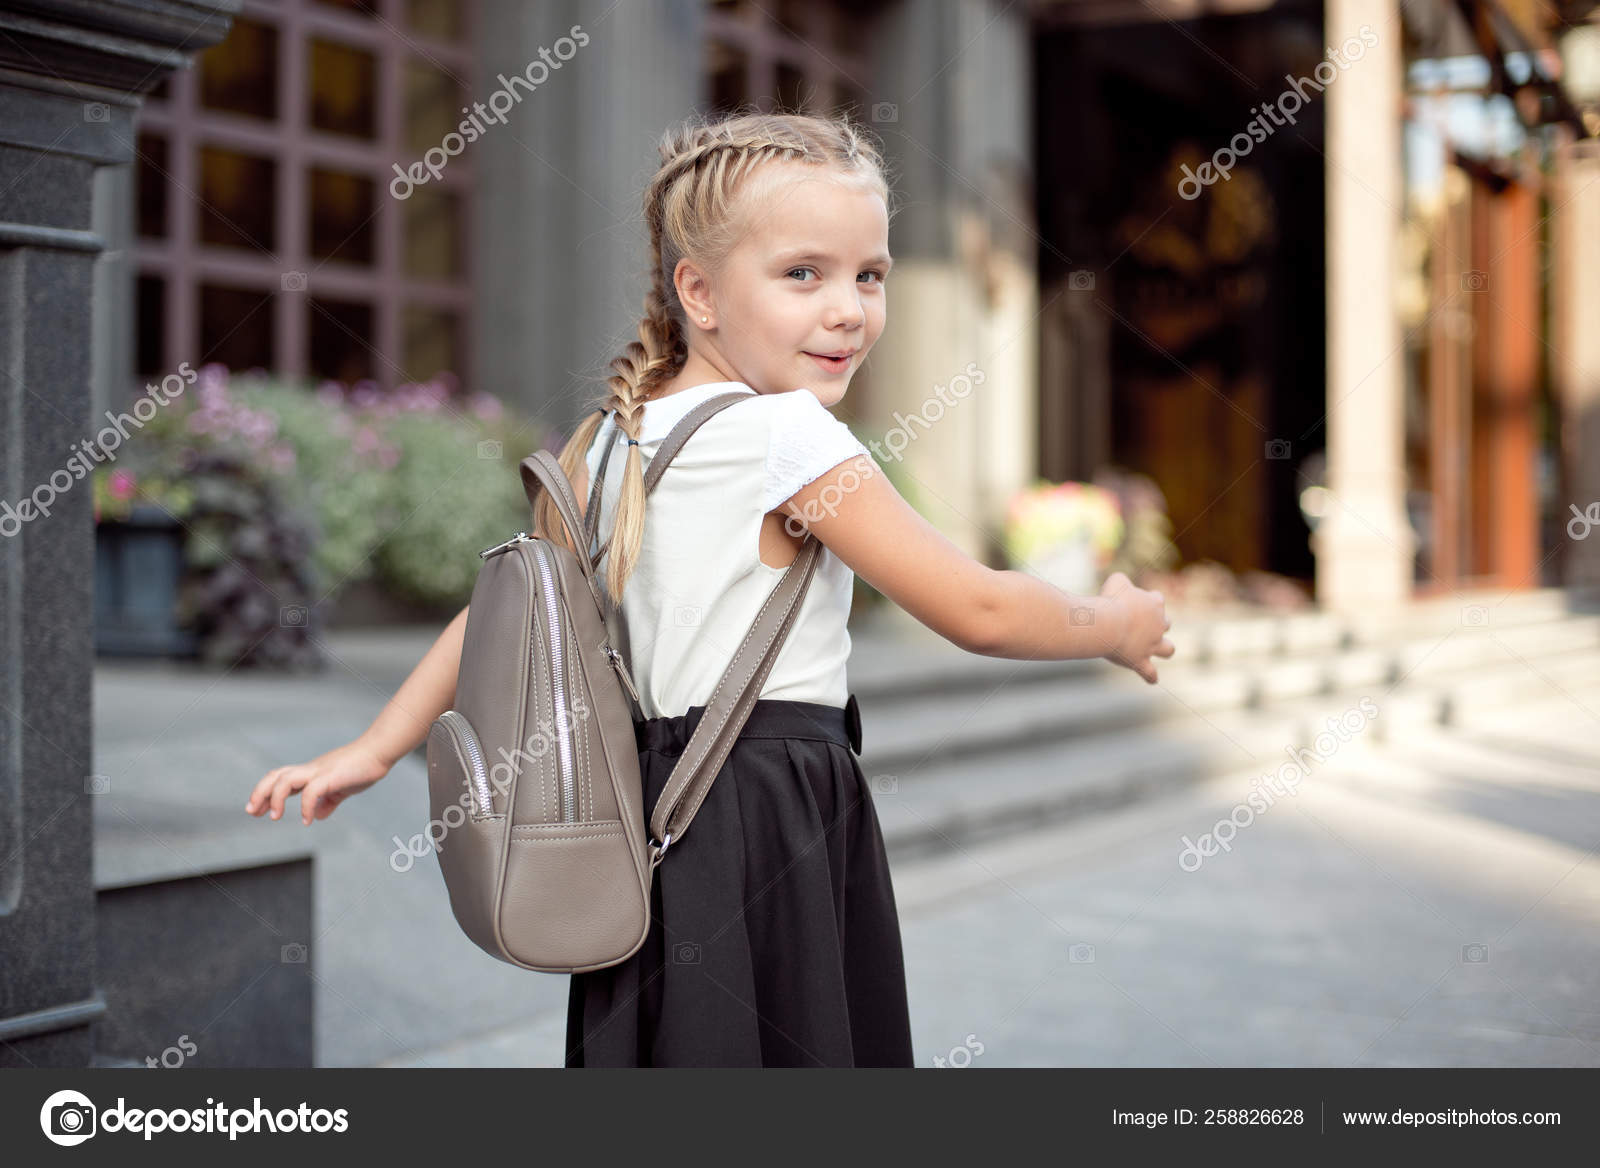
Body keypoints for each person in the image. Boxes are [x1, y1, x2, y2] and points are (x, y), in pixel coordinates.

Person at [245, 109, 1173, 1068]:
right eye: (802, 273)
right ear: (699, 291)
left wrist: (371, 748)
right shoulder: (791, 437)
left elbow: (502, 613)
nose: (849, 308)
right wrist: (1113, 623)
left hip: (639, 809)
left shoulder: (611, 439)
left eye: (871, 274)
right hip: (767, 811)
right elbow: (975, 609)